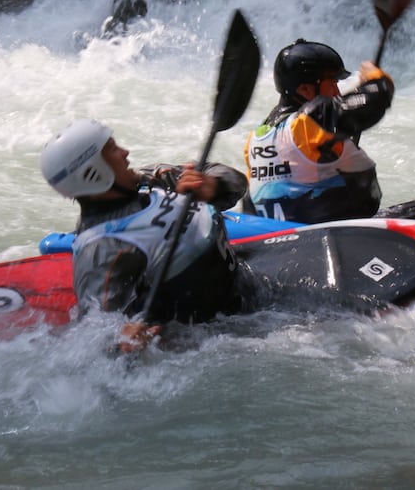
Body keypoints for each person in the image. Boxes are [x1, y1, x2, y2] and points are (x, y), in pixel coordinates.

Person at [40, 118, 255, 352]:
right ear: (95, 172)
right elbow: (91, 335)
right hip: (220, 336)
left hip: (251, 286)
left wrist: (214, 184)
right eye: (113, 149)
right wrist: (120, 340)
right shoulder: (103, 248)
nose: (125, 152)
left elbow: (237, 181)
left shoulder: (152, 179)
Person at [242, 39, 395, 224]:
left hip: (280, 239)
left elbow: (248, 203)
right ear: (305, 89)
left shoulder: (256, 139)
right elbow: (374, 99)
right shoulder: (307, 124)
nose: (338, 91)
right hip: (335, 234)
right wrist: (375, 79)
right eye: (332, 83)